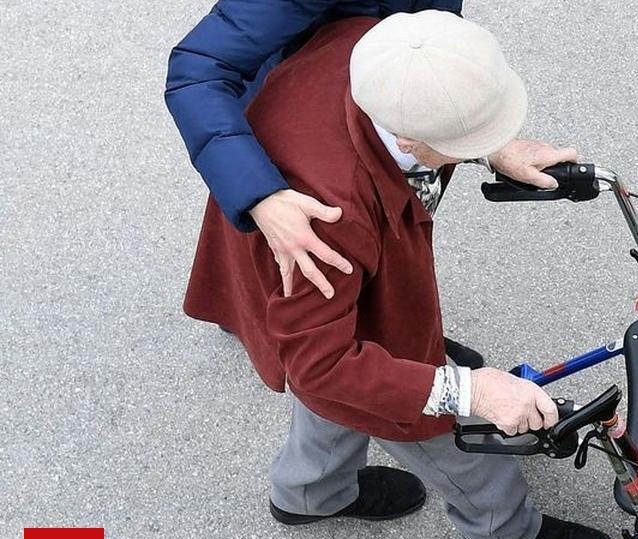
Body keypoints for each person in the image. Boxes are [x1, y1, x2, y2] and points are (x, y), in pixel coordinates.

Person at [179, 11, 609, 539]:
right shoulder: (332, 215)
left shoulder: (374, 48)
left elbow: (316, 352)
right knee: (442, 434)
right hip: (325, 291)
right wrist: (467, 392)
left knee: (339, 393)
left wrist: (491, 144)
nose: (472, 150)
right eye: (463, 143)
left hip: (314, 297)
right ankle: (508, 534)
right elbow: (322, 364)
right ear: (409, 136)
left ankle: (310, 494)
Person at [165, 0, 571, 364]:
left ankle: (381, 346)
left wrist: (477, 131)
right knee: (315, 261)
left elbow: (430, 42)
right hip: (303, 121)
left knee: (382, 246)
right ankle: (366, 357)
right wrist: (262, 196)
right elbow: (196, 71)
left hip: (389, 109)